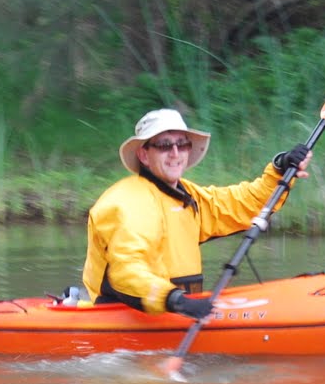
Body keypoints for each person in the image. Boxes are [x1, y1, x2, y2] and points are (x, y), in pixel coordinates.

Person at [81, 108, 310, 318]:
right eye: (164, 145)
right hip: (123, 315)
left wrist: (280, 168)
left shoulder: (188, 196)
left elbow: (245, 203)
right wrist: (177, 301)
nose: (175, 153)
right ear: (143, 155)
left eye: (182, 144)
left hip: (176, 311)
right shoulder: (127, 202)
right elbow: (127, 272)